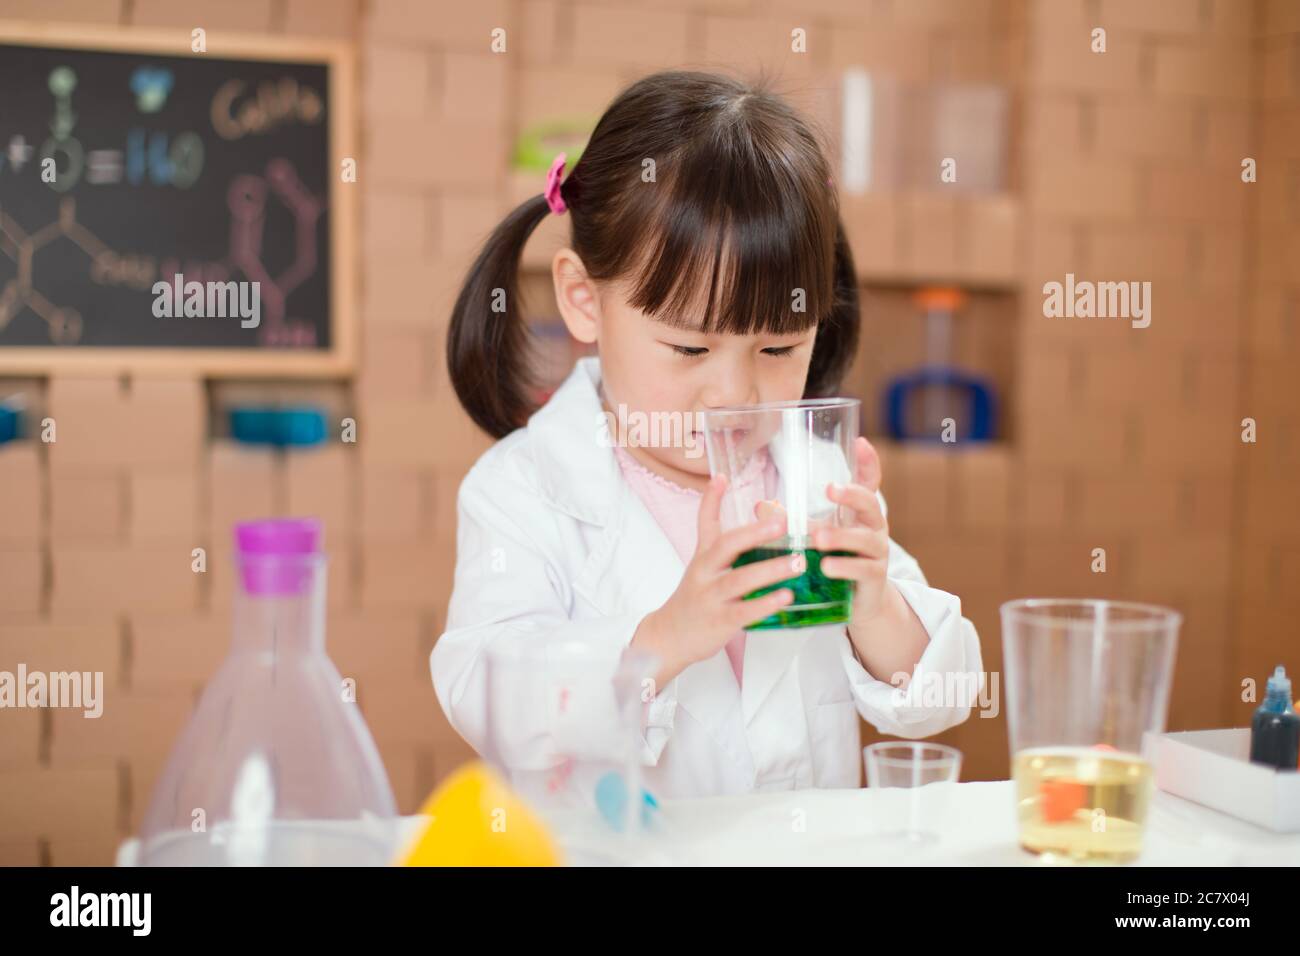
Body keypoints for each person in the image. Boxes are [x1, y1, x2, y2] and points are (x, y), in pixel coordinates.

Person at [431, 71, 983, 796]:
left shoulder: (818, 480)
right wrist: (662, 639)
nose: (734, 394)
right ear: (582, 300)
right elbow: (486, 692)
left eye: (779, 349)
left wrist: (875, 602)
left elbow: (938, 702)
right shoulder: (522, 490)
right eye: (690, 350)